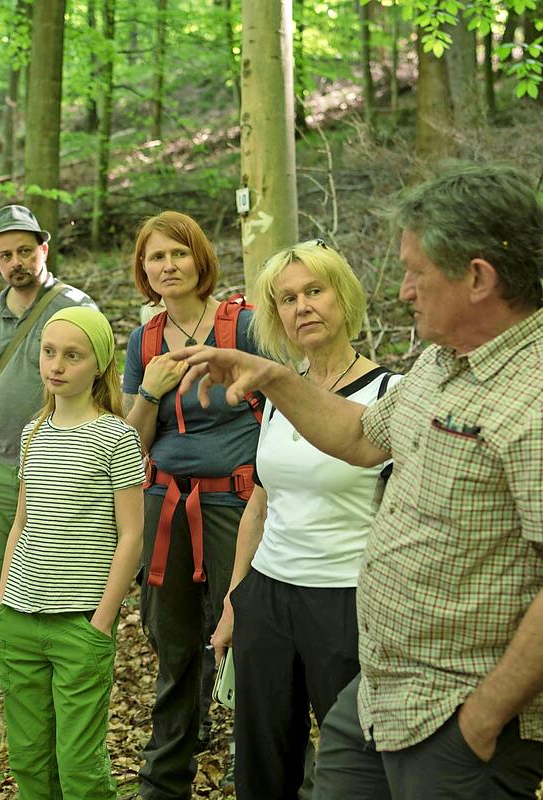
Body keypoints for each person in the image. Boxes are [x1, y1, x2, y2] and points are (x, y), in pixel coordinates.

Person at [177, 163, 543, 799]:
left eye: (416, 272)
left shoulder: (532, 400)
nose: (403, 290)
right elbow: (360, 436)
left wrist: (483, 719)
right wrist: (272, 377)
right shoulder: (440, 363)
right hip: (379, 695)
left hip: (458, 715)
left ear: (478, 278)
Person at [209, 240, 400, 799]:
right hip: (268, 598)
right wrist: (235, 599)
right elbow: (260, 504)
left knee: (357, 769)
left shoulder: (392, 394)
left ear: (343, 296)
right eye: (287, 299)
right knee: (263, 767)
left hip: (348, 601)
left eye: (314, 290)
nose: (303, 307)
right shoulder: (277, 392)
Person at [122, 211, 262, 798]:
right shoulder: (144, 339)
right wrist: (151, 390)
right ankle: (166, 774)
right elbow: (131, 441)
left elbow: (283, 407)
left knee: (250, 633)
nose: (168, 266)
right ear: (144, 271)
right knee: (172, 641)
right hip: (165, 505)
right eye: (156, 258)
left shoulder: (245, 326)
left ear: (200, 259)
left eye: (178, 254)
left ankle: (256, 762)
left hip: (238, 501)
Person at [0, 306, 144, 799]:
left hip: (80, 623)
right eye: (49, 352)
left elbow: (132, 536)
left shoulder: (116, 436)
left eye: (72, 356)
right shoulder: (33, 432)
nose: (56, 365)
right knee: (30, 759)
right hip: (18, 618)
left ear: (98, 364)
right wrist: (1, 600)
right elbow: (21, 521)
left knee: (79, 766)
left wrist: (103, 620)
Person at [0, 204, 95, 599]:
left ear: (44, 251)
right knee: (0, 579)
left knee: (61, 575)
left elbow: (98, 384)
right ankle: (11, 659)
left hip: (61, 467)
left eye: (25, 251)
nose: (16, 262)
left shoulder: (75, 306)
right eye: (6, 256)